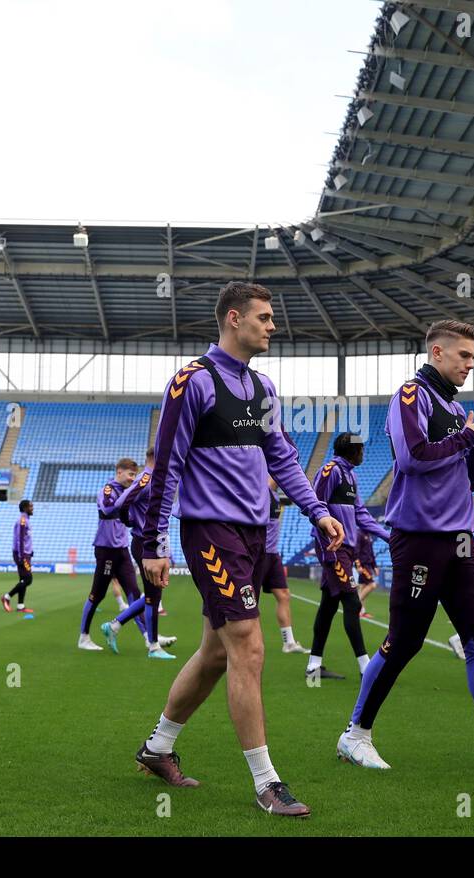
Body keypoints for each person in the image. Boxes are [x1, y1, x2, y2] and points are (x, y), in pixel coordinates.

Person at [134, 281, 344, 817]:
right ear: (234, 319)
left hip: (253, 535)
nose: (273, 326)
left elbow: (284, 459)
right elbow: (167, 468)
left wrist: (318, 512)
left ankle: (157, 748)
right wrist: (153, 544)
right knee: (249, 646)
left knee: (214, 654)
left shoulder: (264, 388)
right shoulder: (191, 382)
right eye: (265, 317)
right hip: (210, 533)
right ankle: (267, 782)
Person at [336, 319, 474, 776]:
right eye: (464, 356)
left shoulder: (458, 412)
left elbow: (468, 477)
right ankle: (355, 735)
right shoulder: (410, 396)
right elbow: (414, 458)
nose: (470, 365)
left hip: (460, 539)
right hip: (417, 538)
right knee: (404, 642)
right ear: (437, 352)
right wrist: (470, 437)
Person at [306, 433, 392, 680]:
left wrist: (388, 536)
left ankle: (313, 667)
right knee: (353, 604)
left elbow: (361, 515)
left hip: (346, 549)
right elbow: (316, 507)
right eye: (361, 450)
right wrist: (328, 551)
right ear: (353, 451)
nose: (363, 455)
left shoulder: (351, 476)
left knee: (328, 606)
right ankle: (367, 669)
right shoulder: (329, 471)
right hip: (334, 548)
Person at [111, 448, 177, 658]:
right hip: (144, 542)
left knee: (153, 594)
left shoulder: (155, 478)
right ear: (157, 457)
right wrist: (128, 520)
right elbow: (120, 503)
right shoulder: (146, 479)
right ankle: (153, 646)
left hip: (155, 542)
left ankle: (116, 625)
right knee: (153, 596)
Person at [84, 458, 148, 652]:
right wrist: (128, 499)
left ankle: (148, 637)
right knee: (98, 594)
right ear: (119, 472)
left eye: (134, 476)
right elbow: (107, 511)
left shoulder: (127, 492)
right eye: (130, 474)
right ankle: (83, 636)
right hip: (106, 551)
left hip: (122, 549)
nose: (132, 479)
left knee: (134, 593)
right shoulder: (108, 490)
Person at [259, 477, 309, 654]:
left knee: (284, 595)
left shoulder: (274, 495)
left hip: (273, 554)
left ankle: (288, 642)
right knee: (249, 601)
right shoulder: (261, 492)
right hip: (259, 554)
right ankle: (248, 642)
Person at [2, 499, 34, 613]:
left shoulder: (26, 520)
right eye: (31, 506)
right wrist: (22, 556)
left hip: (25, 553)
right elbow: (20, 539)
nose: (32, 508)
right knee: (28, 579)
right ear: (25, 508)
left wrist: (31, 551)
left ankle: (20, 606)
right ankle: (7, 597)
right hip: (22, 554)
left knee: (23, 579)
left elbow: (26, 539)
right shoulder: (22, 521)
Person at [355, 532, 380, 620]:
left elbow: (371, 553)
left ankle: (361, 611)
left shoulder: (369, 536)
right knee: (372, 585)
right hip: (363, 565)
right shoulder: (359, 534)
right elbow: (356, 551)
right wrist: (358, 565)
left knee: (362, 587)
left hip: (368, 565)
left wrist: (375, 566)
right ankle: (355, 605)